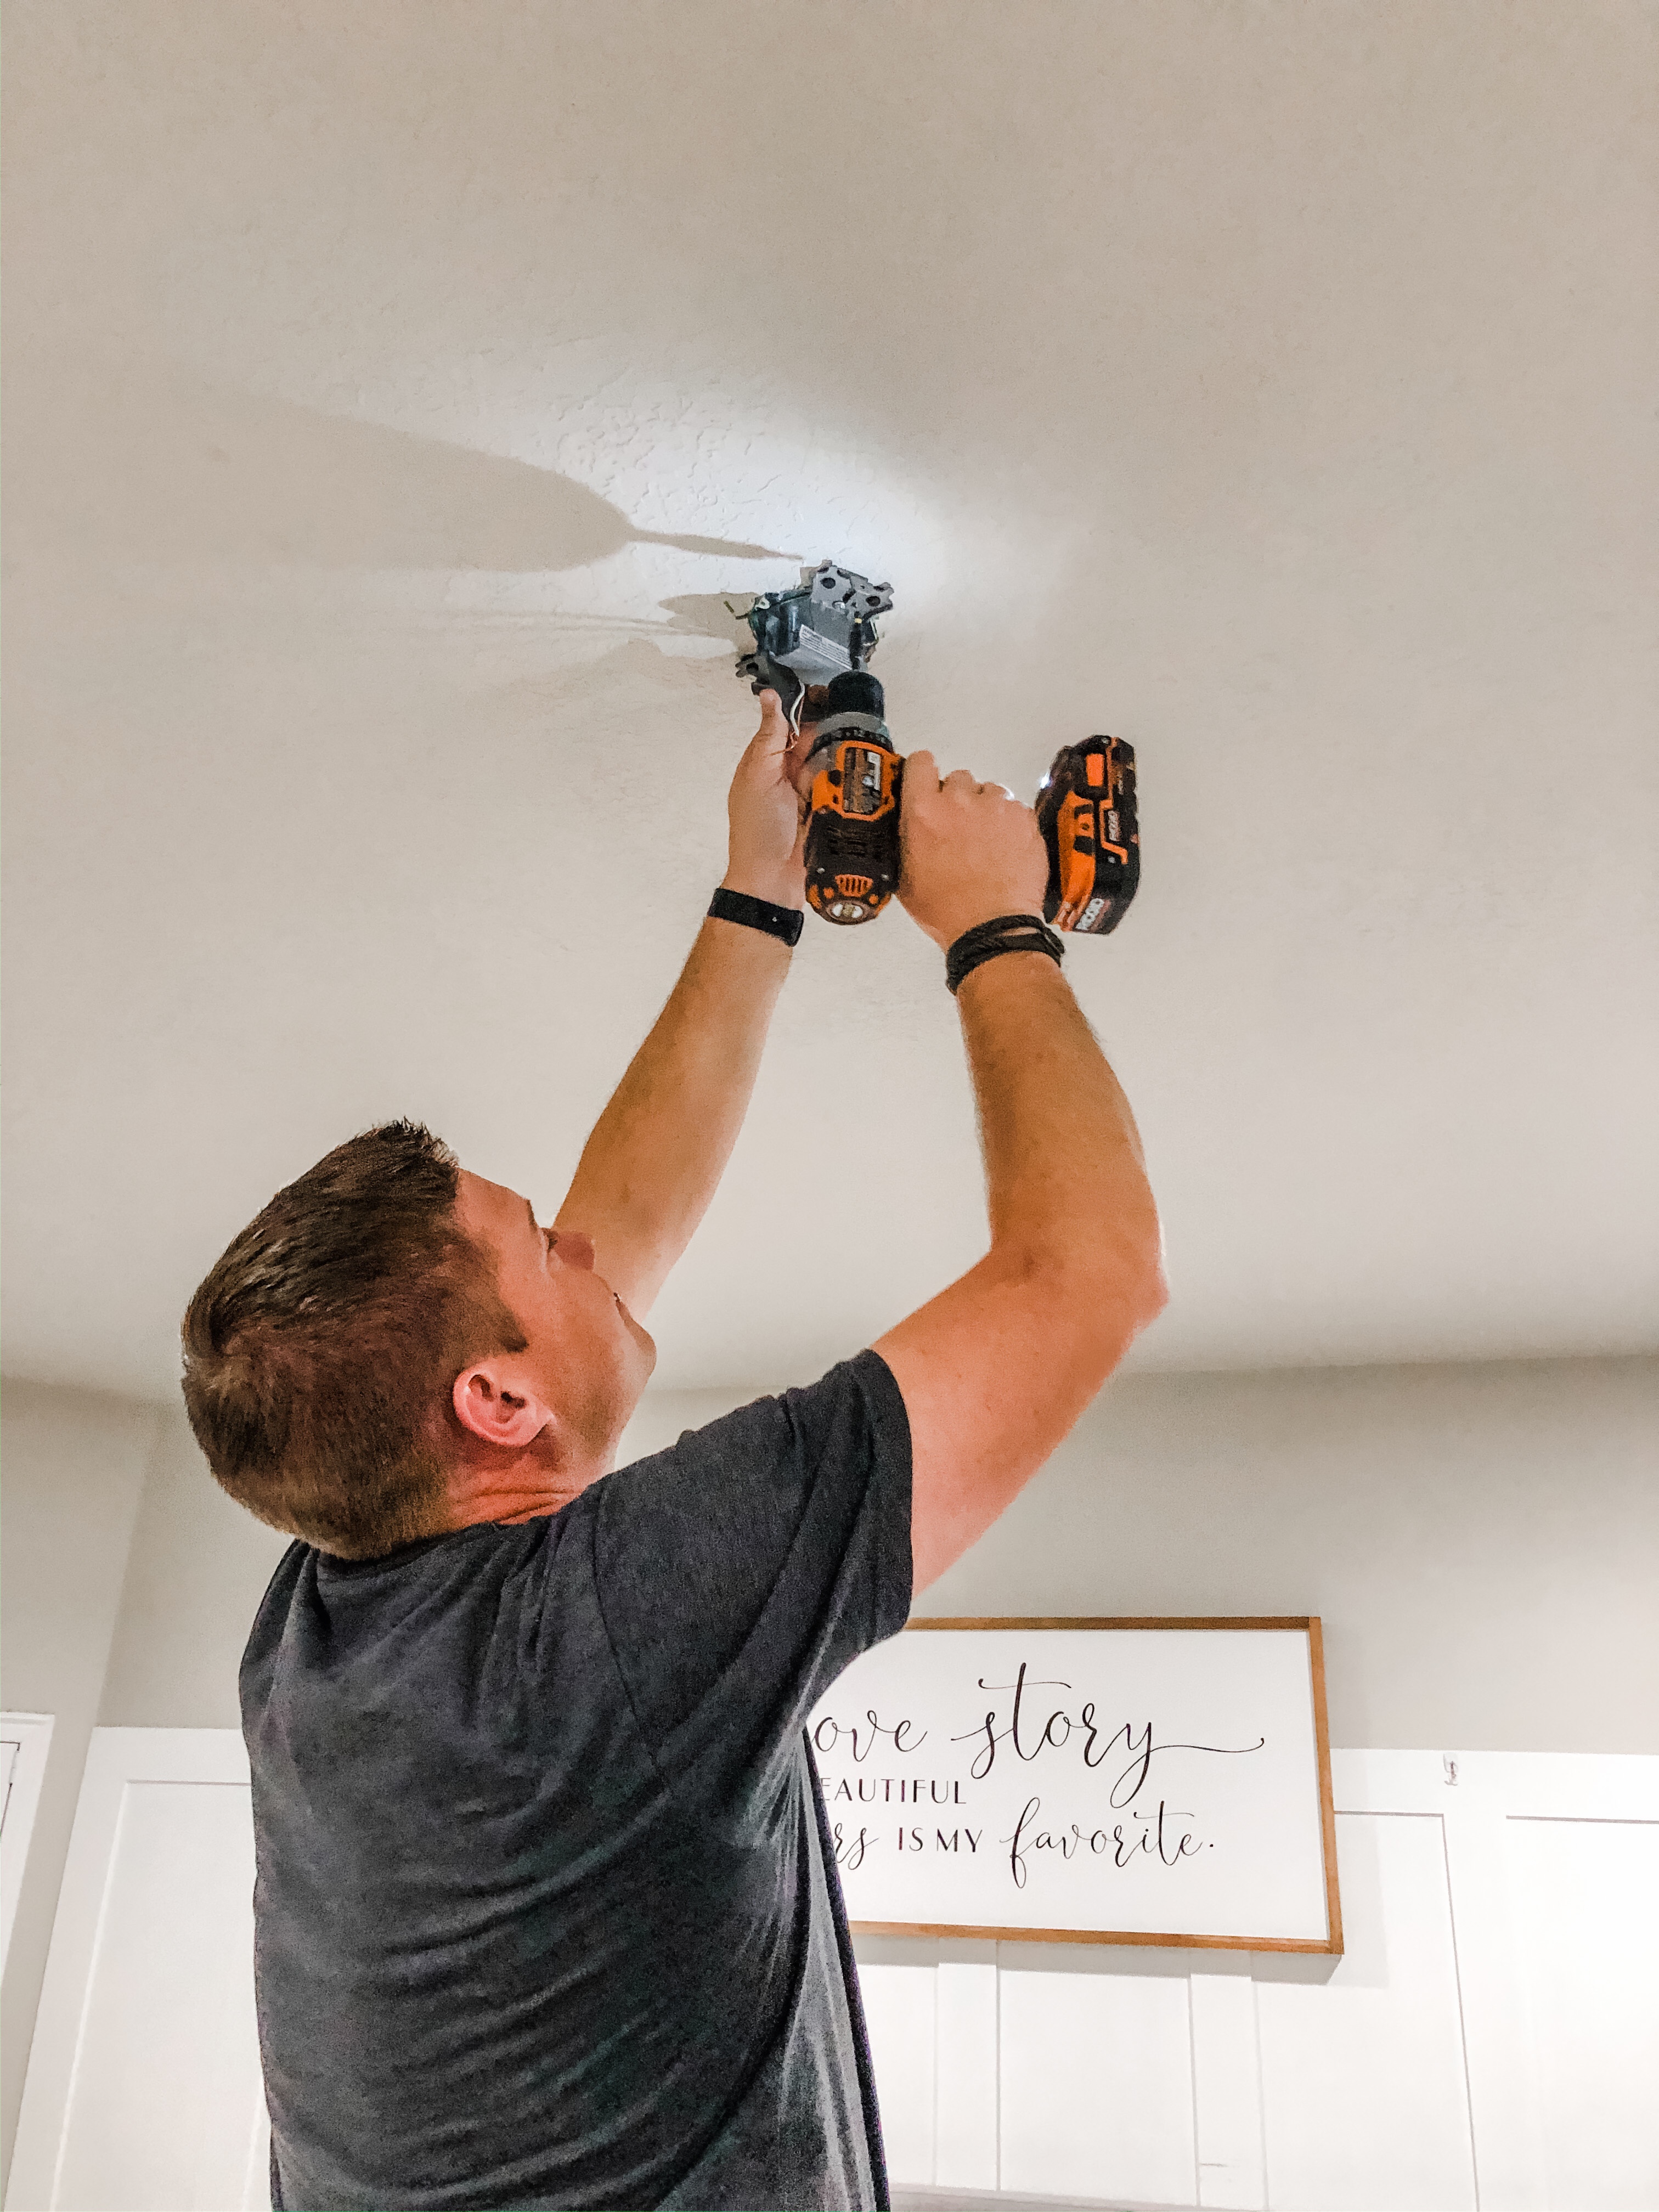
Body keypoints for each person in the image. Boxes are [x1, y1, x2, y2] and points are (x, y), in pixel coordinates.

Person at [181, 688, 1166, 2212]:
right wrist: (995, 926)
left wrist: (755, 888)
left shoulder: (321, 1628)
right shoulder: (607, 1639)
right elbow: (1086, 1271)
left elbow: (611, 1250)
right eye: (540, 1248)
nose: (586, 1249)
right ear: (496, 1407)